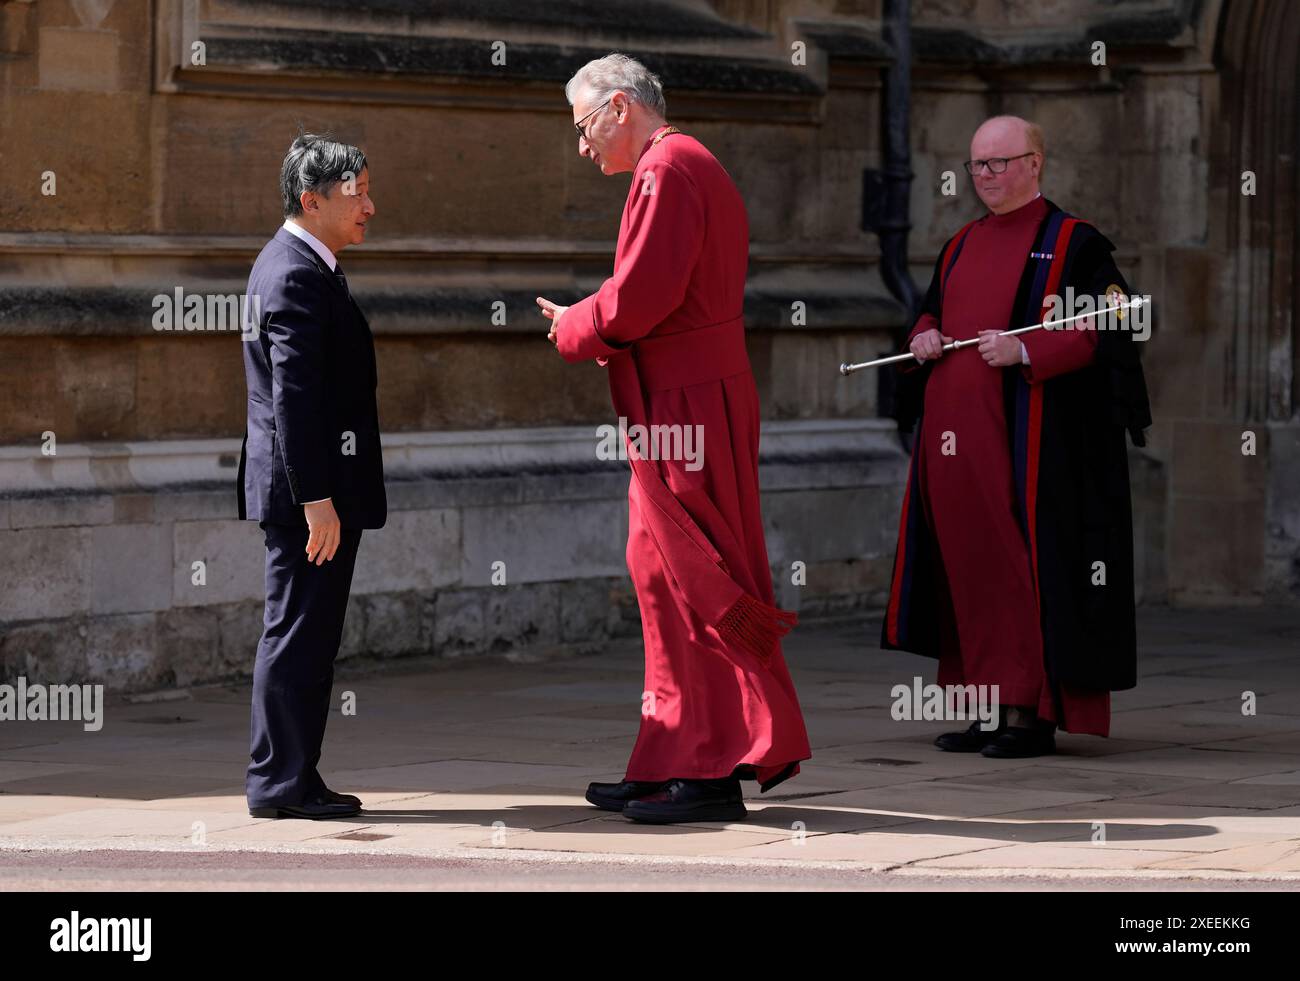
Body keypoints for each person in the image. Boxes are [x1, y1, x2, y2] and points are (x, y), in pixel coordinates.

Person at [537, 54, 811, 824]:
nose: (583, 147)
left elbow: (642, 300)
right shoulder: (675, 166)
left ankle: (712, 765)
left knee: (698, 575)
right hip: (682, 395)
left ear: (621, 107)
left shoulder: (669, 169)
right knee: (659, 570)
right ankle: (668, 755)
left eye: (585, 127)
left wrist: (575, 325)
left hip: (687, 401)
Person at [881, 115, 1152, 758]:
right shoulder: (959, 244)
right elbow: (934, 312)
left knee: (1021, 571)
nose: (988, 176)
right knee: (965, 568)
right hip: (953, 446)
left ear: (1036, 163)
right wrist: (923, 333)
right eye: (978, 165)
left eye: (1001, 163)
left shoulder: (1077, 244)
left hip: (1031, 448)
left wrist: (1029, 350)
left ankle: (1028, 714)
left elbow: (1116, 326)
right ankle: (984, 705)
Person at [237, 134, 384, 818]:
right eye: (356, 195)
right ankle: (280, 782)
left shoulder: (298, 263)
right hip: (309, 496)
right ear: (312, 200)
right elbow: (293, 399)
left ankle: (295, 774)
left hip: (313, 490)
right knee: (297, 631)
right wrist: (317, 501)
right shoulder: (294, 271)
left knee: (307, 631)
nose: (370, 207)